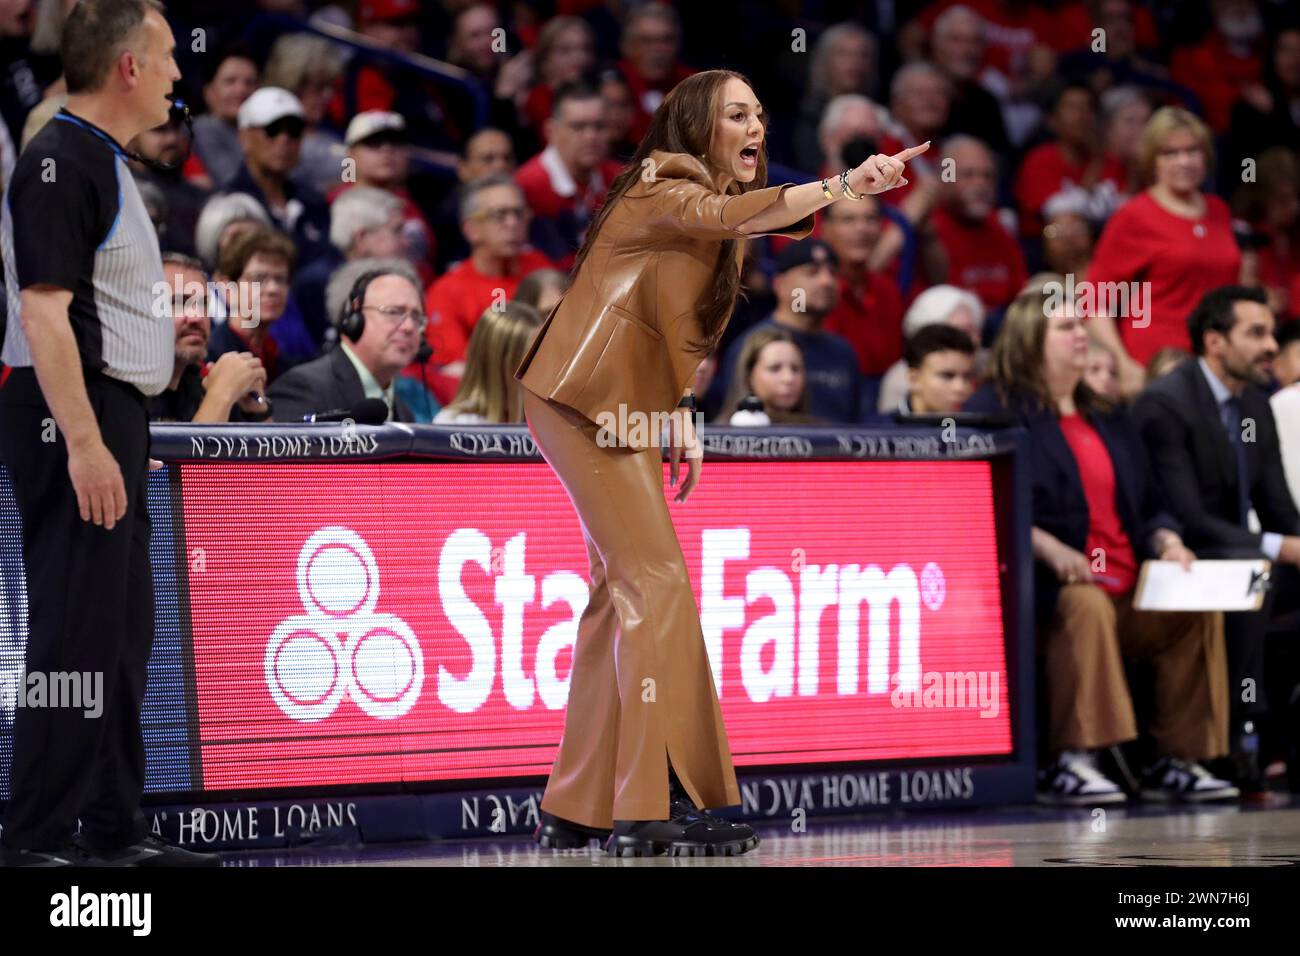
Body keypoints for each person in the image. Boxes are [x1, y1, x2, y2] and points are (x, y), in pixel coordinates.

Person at [515, 68, 925, 856]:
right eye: (738, 115)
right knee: (658, 585)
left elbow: (670, 314)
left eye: (762, 116)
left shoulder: (708, 209)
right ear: (698, 126)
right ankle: (650, 801)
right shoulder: (662, 181)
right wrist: (844, 183)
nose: (757, 128)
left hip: (616, 405)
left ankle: (577, 804)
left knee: (618, 595)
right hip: (580, 402)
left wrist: (674, 412)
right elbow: (733, 215)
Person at [0, 0, 216, 866]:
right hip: (72, 414)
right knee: (74, 634)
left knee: (123, 633)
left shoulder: (101, 158)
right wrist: (85, 443)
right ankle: (34, 838)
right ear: (127, 66)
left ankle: (113, 827)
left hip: (113, 411)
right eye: (166, 58)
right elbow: (43, 314)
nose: (176, 73)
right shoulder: (58, 160)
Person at [966, 275, 1235, 805]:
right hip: (1044, 593)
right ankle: (1073, 760)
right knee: (1086, 605)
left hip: (1125, 583)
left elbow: (1151, 504)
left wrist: (1167, 541)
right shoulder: (996, 410)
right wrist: (1046, 545)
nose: (1082, 335)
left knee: (1195, 602)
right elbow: (984, 505)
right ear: (1028, 339)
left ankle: (1178, 759)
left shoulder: (1108, 416)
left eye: (1081, 324)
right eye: (1065, 327)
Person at [1132, 286, 1300, 789]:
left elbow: (1278, 508)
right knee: (1258, 576)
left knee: (1263, 573)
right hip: (1177, 555)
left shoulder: (1253, 403)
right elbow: (1189, 516)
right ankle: (1237, 735)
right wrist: (1281, 547)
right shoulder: (1167, 402)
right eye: (1256, 333)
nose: (1272, 346)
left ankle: (1284, 740)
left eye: (1271, 332)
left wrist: (1294, 542)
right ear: (1215, 342)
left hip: (1238, 554)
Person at [1086, 108, 1245, 394]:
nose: (1184, 161)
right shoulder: (1134, 216)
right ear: (1152, 161)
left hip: (1217, 366)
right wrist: (1122, 363)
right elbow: (1095, 300)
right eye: (1170, 153)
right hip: (1156, 367)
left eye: (1192, 151)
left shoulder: (1218, 210)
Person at [715, 238, 864, 423]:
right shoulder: (751, 345)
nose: (826, 281)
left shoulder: (844, 352)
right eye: (812, 272)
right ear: (779, 284)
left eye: (833, 273)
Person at [267, 267, 422, 423]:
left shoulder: (404, 413)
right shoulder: (303, 388)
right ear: (354, 318)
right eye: (393, 312)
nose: (409, 327)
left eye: (416, 317)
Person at [149, 252, 269, 423]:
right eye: (177, 302)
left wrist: (256, 411)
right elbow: (184, 450)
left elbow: (272, 450)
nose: (197, 317)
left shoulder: (201, 385)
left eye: (203, 304)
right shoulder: (120, 392)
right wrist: (221, 393)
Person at [433, 302, 541, 424]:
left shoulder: (548, 422)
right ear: (497, 364)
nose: (543, 369)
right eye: (531, 359)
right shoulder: (454, 424)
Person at [715, 327, 822, 425]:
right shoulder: (721, 433)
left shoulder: (823, 433)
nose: (789, 378)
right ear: (749, 376)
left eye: (795, 369)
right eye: (775, 368)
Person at [897, 323, 976, 416]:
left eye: (967, 377)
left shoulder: (980, 428)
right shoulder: (881, 429)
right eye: (947, 376)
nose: (960, 387)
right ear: (914, 379)